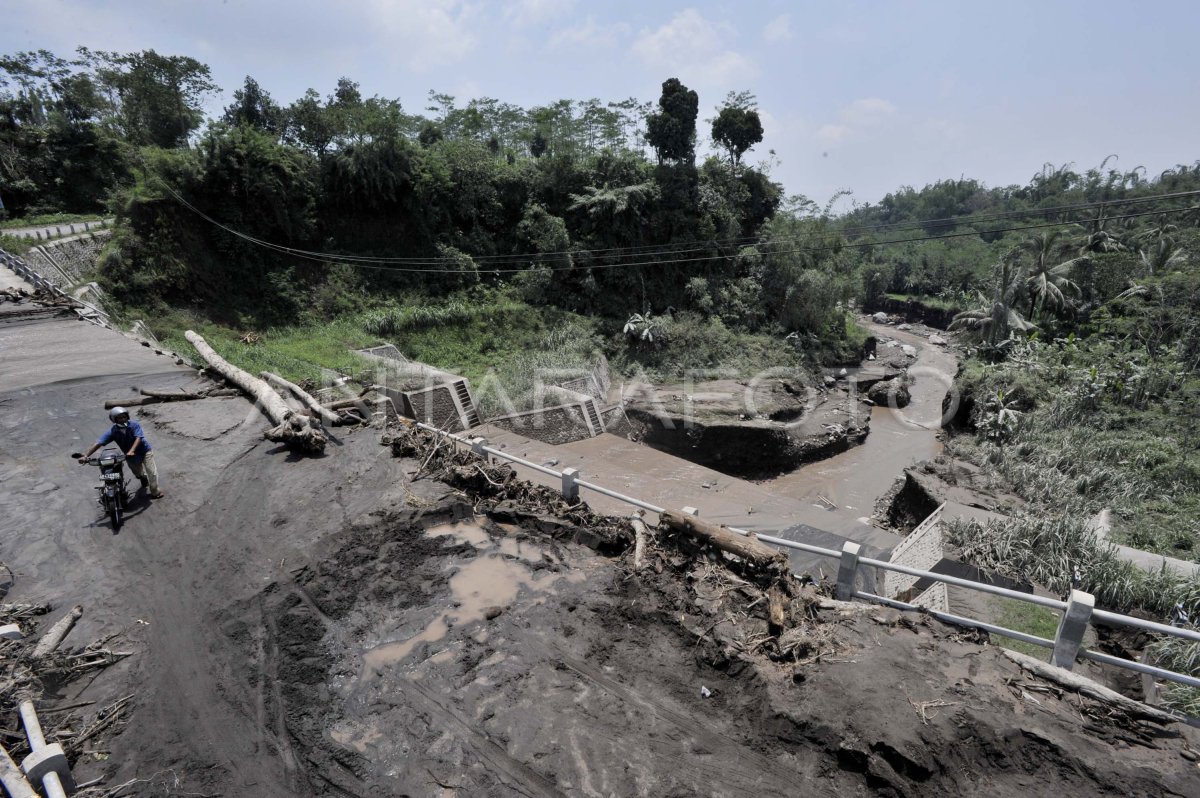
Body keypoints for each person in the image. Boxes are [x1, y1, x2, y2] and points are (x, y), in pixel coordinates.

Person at [78, 407, 163, 499]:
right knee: (138, 473)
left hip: (145, 451)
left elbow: (139, 438)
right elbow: (99, 443)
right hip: (130, 456)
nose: (123, 419)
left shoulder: (134, 425)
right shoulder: (112, 431)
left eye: (124, 417)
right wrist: (85, 455)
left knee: (152, 473)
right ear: (114, 419)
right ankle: (142, 477)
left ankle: (155, 492)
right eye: (119, 418)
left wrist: (132, 450)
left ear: (127, 417)